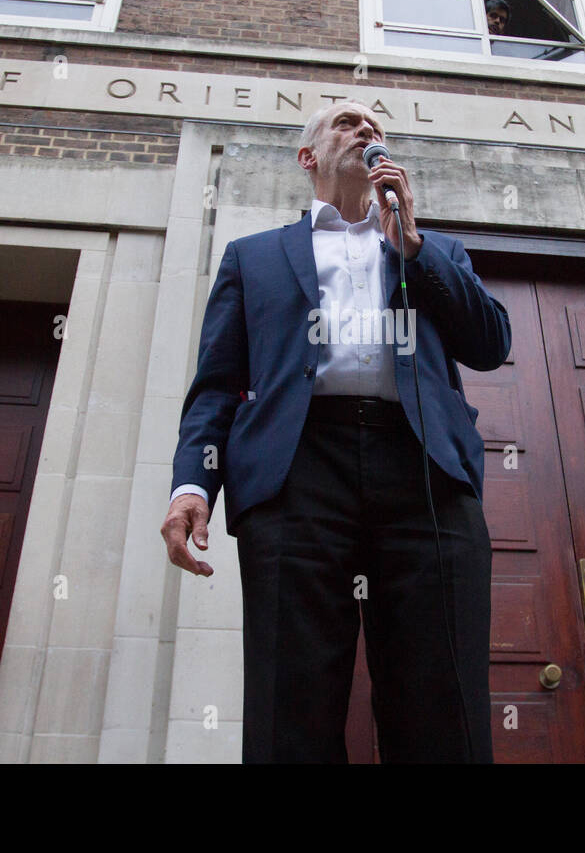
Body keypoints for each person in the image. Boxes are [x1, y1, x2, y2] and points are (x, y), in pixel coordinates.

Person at [161, 100, 511, 763]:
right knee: (289, 700)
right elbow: (217, 385)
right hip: (297, 471)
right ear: (309, 157)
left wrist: (415, 247)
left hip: (422, 471)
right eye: (347, 123)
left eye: (376, 127)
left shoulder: (435, 250)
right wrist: (192, 485)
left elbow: (491, 344)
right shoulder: (253, 257)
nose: (367, 131)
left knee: (443, 698)